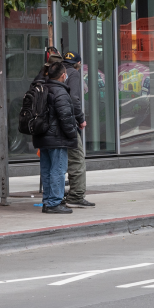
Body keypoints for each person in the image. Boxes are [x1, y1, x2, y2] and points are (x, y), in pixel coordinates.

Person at [33, 60, 80, 214]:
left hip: (42, 137)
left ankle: (48, 201)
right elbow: (66, 118)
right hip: (57, 138)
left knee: (46, 170)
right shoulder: (60, 92)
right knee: (58, 170)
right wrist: (73, 134)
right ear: (63, 76)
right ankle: (54, 202)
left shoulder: (41, 89)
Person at [61, 51, 95, 208]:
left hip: (55, 124)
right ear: (78, 63)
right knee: (77, 159)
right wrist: (81, 118)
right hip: (69, 123)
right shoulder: (73, 74)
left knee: (60, 161)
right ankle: (76, 195)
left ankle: (56, 195)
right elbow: (74, 99)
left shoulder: (56, 72)